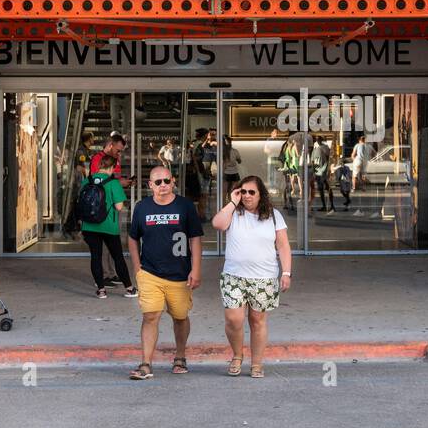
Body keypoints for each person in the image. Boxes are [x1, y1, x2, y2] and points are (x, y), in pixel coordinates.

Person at [127, 166, 203, 380]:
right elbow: (133, 237)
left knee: (180, 316)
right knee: (150, 315)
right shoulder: (142, 207)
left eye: (166, 181)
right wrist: (137, 266)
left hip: (179, 273)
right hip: (150, 272)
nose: (163, 186)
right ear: (150, 185)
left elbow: (195, 238)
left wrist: (196, 269)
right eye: (157, 182)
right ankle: (146, 363)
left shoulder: (185, 206)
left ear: (173, 182)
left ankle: (180, 356)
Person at [212, 176, 292, 378]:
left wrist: (286, 272)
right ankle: (237, 355)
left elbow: (283, 245)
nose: (246, 196)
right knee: (234, 319)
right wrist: (232, 201)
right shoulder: (233, 212)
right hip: (234, 276)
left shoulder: (273, 215)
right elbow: (218, 224)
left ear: (260, 194)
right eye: (243, 191)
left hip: (264, 278)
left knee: (257, 320)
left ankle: (256, 363)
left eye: (251, 192)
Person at [80, 156, 135, 299]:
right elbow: (119, 206)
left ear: (99, 165)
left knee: (95, 257)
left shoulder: (87, 180)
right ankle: (129, 289)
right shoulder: (113, 183)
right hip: (108, 226)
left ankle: (101, 291)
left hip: (88, 225)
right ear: (112, 168)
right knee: (118, 257)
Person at [310, 135, 334, 212]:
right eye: (316, 140)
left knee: (327, 188)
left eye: (318, 139)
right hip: (318, 172)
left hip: (323, 171)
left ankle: (331, 205)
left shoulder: (325, 147)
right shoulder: (315, 150)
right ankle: (324, 205)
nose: (317, 141)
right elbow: (313, 162)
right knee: (321, 189)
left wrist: (328, 170)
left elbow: (328, 159)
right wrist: (314, 171)